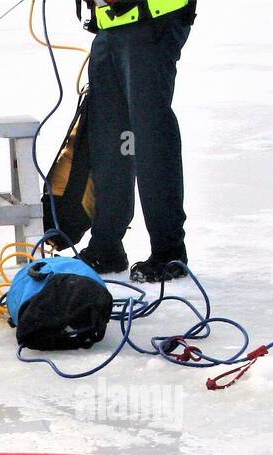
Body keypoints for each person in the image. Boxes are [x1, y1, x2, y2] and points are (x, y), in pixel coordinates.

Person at [76, 0, 196, 284]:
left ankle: (169, 253)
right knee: (109, 140)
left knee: (151, 139)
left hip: (153, 21)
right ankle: (106, 247)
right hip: (111, 27)